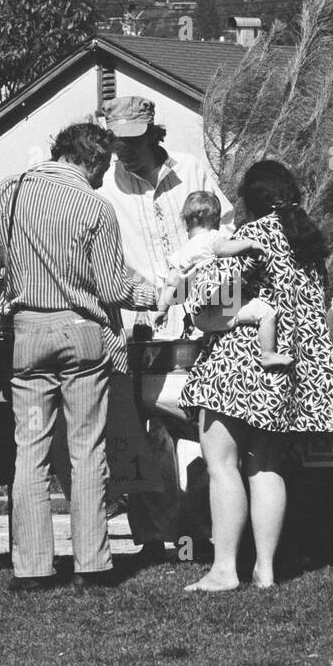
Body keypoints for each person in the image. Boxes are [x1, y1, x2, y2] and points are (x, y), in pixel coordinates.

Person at [0, 122, 159, 592]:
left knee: (30, 451)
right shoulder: (95, 206)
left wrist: (15, 289)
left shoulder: (10, 190)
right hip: (82, 335)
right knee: (86, 449)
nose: (103, 178)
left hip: (29, 335)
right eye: (103, 168)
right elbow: (114, 287)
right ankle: (91, 564)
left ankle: (32, 568)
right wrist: (159, 294)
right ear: (92, 160)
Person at [179, 160, 333, 591]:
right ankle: (266, 569)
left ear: (250, 199)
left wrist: (220, 310)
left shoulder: (254, 234)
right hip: (283, 368)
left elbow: (206, 295)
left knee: (221, 464)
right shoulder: (307, 241)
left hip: (238, 365)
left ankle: (223, 570)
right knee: (267, 467)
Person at [96, 96, 234, 562]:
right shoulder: (105, 188)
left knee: (205, 420)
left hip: (200, 318)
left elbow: (224, 232)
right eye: (118, 142)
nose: (125, 151)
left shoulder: (192, 170)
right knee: (139, 428)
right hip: (141, 323)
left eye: (134, 141)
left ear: (154, 133)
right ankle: (154, 535)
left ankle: (199, 526)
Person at [156, 190, 290, 367]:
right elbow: (222, 249)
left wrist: (162, 310)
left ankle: (206, 359)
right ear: (214, 221)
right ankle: (268, 354)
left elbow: (172, 282)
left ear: (190, 222)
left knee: (209, 320)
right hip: (224, 309)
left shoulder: (183, 252)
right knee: (266, 312)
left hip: (200, 318)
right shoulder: (213, 237)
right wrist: (249, 244)